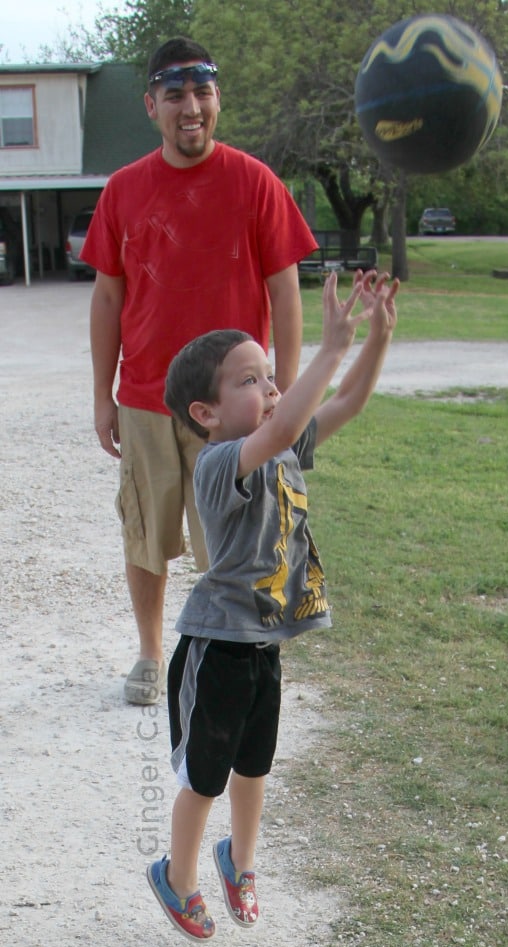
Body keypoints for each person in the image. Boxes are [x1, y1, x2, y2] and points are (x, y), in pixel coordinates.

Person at [146, 267, 399, 940]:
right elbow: (285, 426)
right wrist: (331, 344)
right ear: (205, 413)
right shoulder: (222, 461)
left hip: (264, 643)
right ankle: (177, 877)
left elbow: (345, 405)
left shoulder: (280, 447)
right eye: (248, 379)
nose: (268, 387)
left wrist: (375, 339)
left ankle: (241, 861)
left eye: (268, 375)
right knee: (206, 776)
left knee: (254, 764)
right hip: (219, 643)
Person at [82, 35, 318, 706]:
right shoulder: (125, 190)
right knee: (145, 535)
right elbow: (107, 297)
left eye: (203, 92)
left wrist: (280, 392)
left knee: (235, 540)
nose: (192, 107)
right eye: (176, 94)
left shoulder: (254, 181)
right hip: (149, 400)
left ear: (218, 101)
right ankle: (152, 656)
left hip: (233, 407)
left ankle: (230, 651)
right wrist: (103, 397)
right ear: (151, 104)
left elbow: (285, 288)